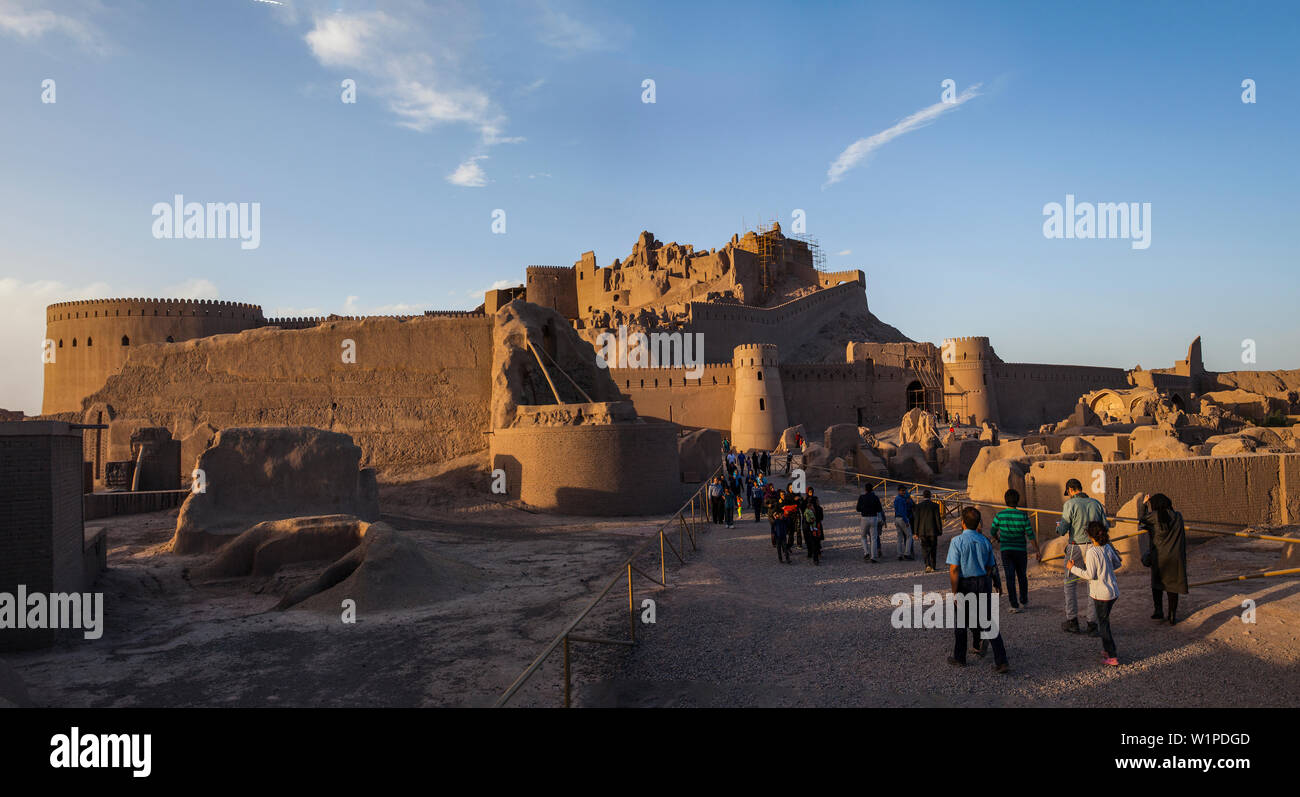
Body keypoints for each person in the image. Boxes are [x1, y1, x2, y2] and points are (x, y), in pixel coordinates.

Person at [946, 506, 1009, 672]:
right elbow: (991, 566)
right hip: (983, 582)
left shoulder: (956, 541)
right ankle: (1001, 660)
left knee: (961, 622)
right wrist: (993, 582)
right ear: (978, 523)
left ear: (962, 523)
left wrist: (954, 592)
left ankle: (960, 657)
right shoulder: (985, 541)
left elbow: (954, 569)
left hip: (965, 584)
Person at [1055, 478, 1109, 635]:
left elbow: (1063, 529)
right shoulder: (1096, 503)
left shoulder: (1070, 504)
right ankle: (1092, 623)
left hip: (1075, 547)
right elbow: (1104, 526)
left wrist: (1058, 527)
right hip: (1094, 546)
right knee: (1092, 583)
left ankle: (1072, 620)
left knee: (1070, 583)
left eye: (1068, 492)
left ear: (1071, 489)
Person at [1066, 520, 1122, 666]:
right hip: (1113, 591)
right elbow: (1117, 563)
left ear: (1089, 535)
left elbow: (1090, 574)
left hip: (1101, 594)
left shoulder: (1092, 552)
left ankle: (1112, 655)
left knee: (1103, 625)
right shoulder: (1107, 548)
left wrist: (1072, 568)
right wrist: (1106, 569)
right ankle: (1107, 649)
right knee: (1104, 620)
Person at [1140, 492, 1187, 625]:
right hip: (1175, 559)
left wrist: (1144, 504)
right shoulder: (1178, 516)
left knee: (1157, 584)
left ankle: (1158, 611)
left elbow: (1142, 519)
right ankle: (1172, 616)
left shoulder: (1154, 517)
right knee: (1173, 588)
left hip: (1159, 558)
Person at [990, 489, 1038, 612]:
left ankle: (1014, 604)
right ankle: (1024, 600)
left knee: (1009, 577)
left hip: (1006, 550)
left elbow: (992, 531)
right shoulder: (1022, 515)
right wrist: (1037, 550)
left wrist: (997, 538)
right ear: (1018, 500)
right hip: (1021, 550)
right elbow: (1030, 534)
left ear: (1005, 501)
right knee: (1022, 576)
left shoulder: (999, 516)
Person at [912, 489, 943, 573]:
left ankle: (927, 565)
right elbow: (938, 519)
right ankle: (933, 566)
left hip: (922, 531)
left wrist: (915, 532)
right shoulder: (935, 505)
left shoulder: (918, 506)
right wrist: (940, 530)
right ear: (930, 496)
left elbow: (916, 520)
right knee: (933, 548)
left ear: (923, 496)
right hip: (933, 531)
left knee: (925, 548)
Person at [856, 484, 885, 562]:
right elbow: (879, 509)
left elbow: (858, 509)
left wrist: (864, 508)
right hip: (873, 518)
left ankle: (866, 553)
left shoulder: (861, 497)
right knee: (874, 538)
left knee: (863, 536)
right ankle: (873, 556)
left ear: (865, 489)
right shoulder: (875, 497)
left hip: (864, 518)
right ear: (872, 489)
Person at [892, 485, 916, 561]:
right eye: (902, 490)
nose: (903, 492)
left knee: (899, 538)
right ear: (899, 491)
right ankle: (907, 553)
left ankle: (899, 554)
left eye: (904, 490)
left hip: (896, 518)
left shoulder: (897, 499)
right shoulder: (902, 499)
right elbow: (902, 511)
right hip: (903, 519)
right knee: (909, 536)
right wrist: (906, 521)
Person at [804, 497, 823, 565]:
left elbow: (821, 518)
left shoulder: (819, 509)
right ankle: (812, 555)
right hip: (811, 528)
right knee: (813, 542)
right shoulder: (807, 510)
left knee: (815, 542)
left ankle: (815, 558)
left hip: (815, 528)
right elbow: (806, 519)